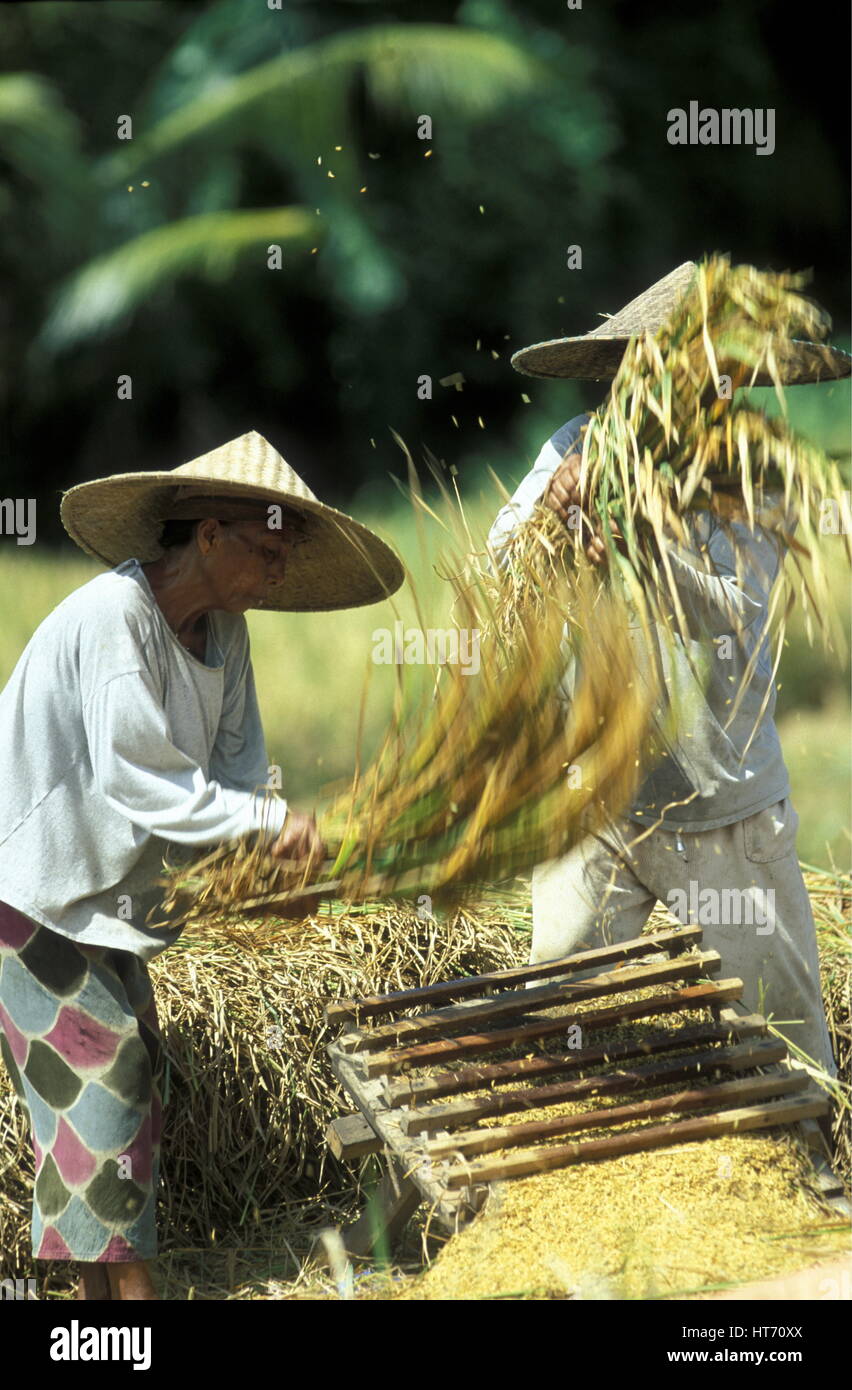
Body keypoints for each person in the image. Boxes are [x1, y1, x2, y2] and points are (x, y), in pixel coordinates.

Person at [0, 429, 404, 1300]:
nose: (278, 570)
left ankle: (93, 1313)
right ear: (210, 536)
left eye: (286, 555)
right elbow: (140, 783)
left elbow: (236, 775)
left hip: (106, 898)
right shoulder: (117, 620)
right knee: (108, 1078)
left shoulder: (224, 634)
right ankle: (126, 1318)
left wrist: (270, 869)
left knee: (130, 1077)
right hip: (28, 890)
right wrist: (268, 822)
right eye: (266, 549)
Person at [490, 262, 850, 1086]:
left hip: (726, 811)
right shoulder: (571, 449)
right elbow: (499, 567)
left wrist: (644, 545)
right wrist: (553, 514)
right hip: (597, 801)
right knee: (562, 1036)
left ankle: (812, 1184)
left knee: (789, 1059)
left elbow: (733, 610)